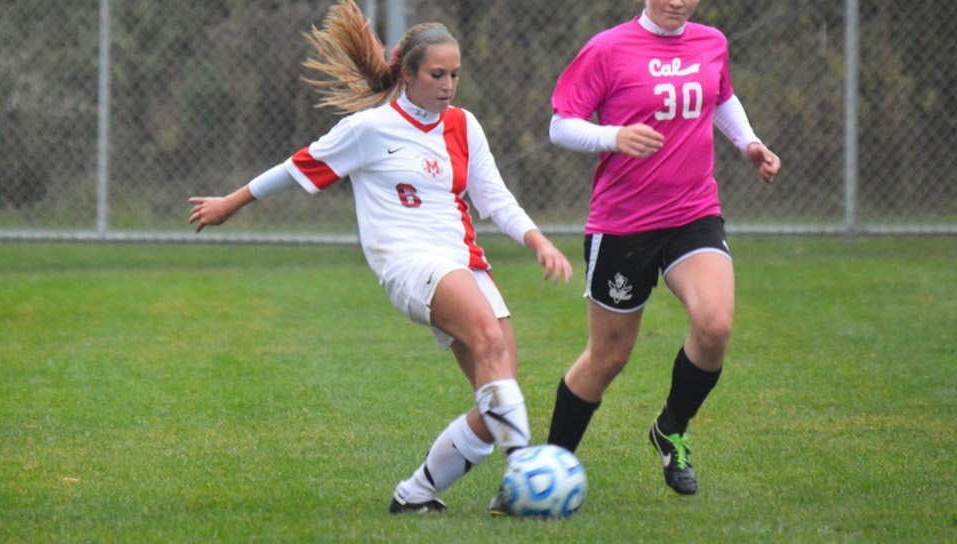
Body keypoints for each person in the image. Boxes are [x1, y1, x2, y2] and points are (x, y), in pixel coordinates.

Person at [188, 0, 572, 514]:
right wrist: (229, 204)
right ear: (408, 74)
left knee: (498, 394)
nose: (448, 85)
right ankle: (527, 468)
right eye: (437, 74)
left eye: (455, 74)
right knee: (486, 337)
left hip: (465, 264)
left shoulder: (463, 125)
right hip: (411, 266)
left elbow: (495, 199)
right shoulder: (369, 130)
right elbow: (294, 166)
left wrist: (538, 240)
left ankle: (414, 495)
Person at [544, 0, 781, 496]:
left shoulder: (711, 42)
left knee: (714, 325)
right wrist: (613, 137)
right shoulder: (607, 49)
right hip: (623, 223)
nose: (678, 1)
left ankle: (671, 429)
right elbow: (561, 124)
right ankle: (546, 470)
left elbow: (720, 98)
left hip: (693, 211)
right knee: (608, 357)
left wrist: (749, 143)